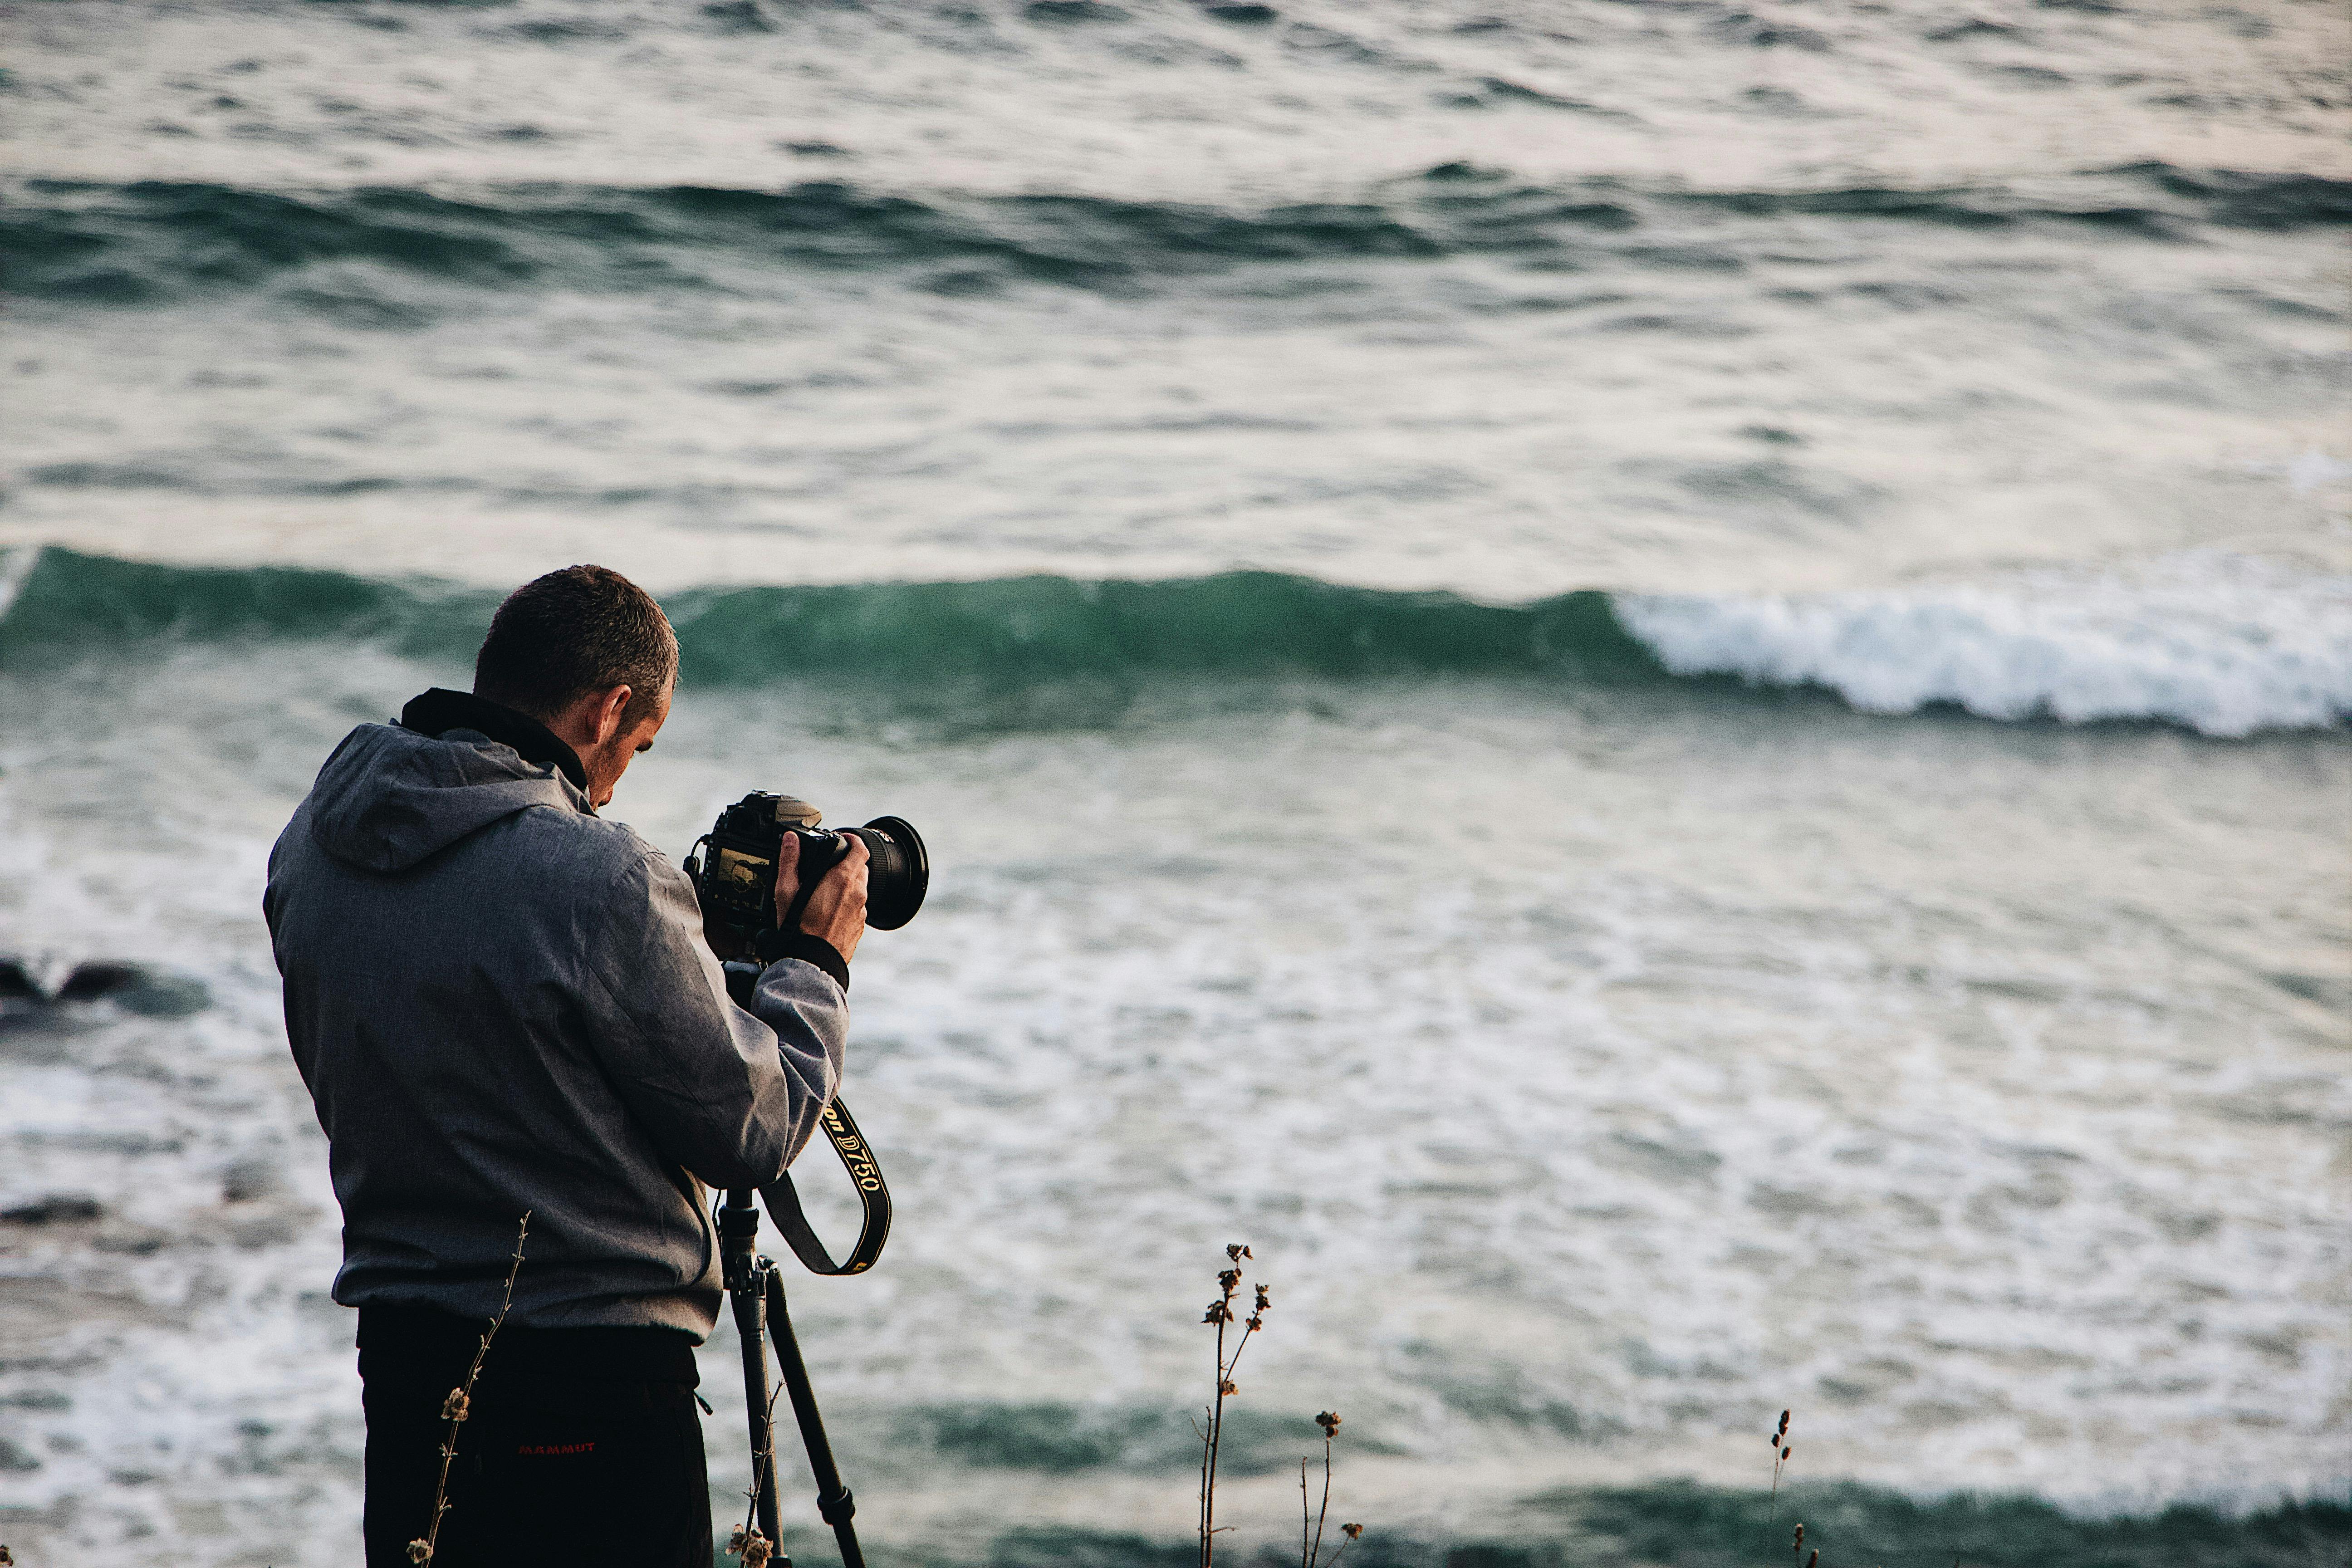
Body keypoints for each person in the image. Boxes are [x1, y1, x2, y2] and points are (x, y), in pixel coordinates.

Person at [263, 564, 868, 1568]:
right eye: (636, 746)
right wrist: (815, 968)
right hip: (595, 1387)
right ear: (610, 707)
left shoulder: (315, 845)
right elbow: (753, 1129)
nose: (617, 782)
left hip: (409, 1368)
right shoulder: (603, 881)